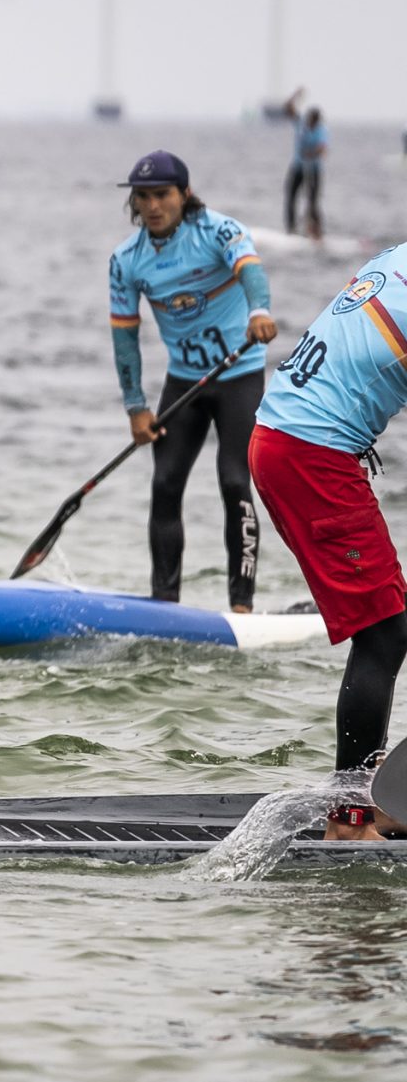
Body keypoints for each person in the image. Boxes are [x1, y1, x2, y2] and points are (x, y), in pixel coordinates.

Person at [250, 248, 407, 839]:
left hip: (282, 439)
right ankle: (349, 819)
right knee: (385, 633)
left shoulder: (397, 256)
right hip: (311, 454)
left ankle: (379, 803)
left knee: (387, 627)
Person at [107, 150, 277, 610]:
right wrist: (136, 407)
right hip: (185, 382)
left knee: (234, 481)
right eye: (142, 197)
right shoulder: (126, 261)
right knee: (164, 484)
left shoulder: (219, 231)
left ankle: (241, 605)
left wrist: (258, 310)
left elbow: (251, 272)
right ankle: (165, 604)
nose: (152, 205)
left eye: (162, 194)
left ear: (185, 194)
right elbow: (125, 339)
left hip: (237, 376)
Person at [284, 98, 328, 241]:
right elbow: (287, 108)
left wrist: (312, 153)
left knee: (313, 201)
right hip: (298, 167)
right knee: (291, 196)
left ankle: (317, 232)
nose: (312, 123)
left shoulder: (322, 130)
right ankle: (291, 229)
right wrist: (297, 95)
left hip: (314, 170)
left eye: (315, 121)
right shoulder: (301, 124)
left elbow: (322, 149)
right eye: (311, 120)